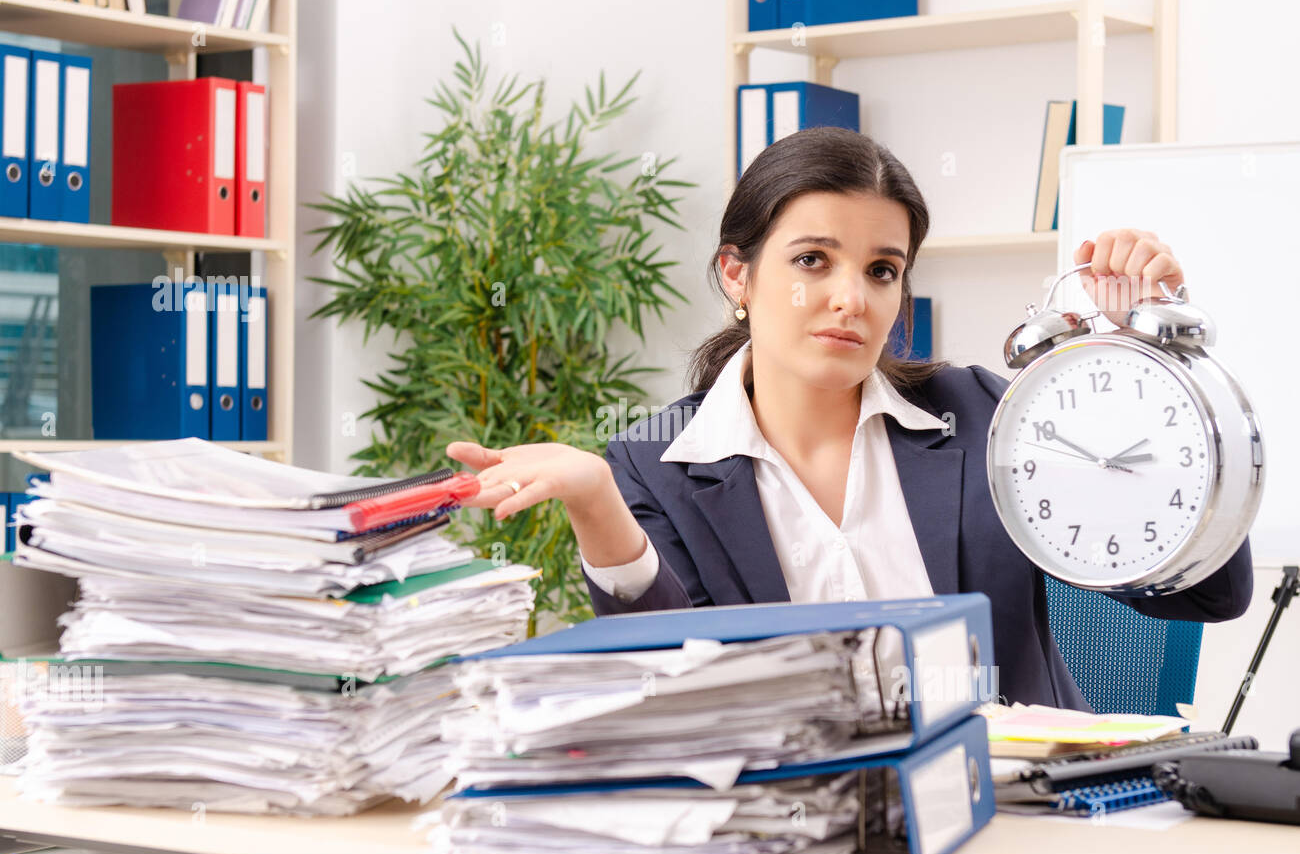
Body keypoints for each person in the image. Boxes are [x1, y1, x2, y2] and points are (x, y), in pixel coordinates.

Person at [446, 127, 1252, 709]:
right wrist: (594, 502)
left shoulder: (990, 417)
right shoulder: (653, 462)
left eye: (881, 270)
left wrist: (1158, 359)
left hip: (1020, 818)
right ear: (737, 272)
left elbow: (1207, 595)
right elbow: (680, 689)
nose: (851, 298)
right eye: (812, 260)